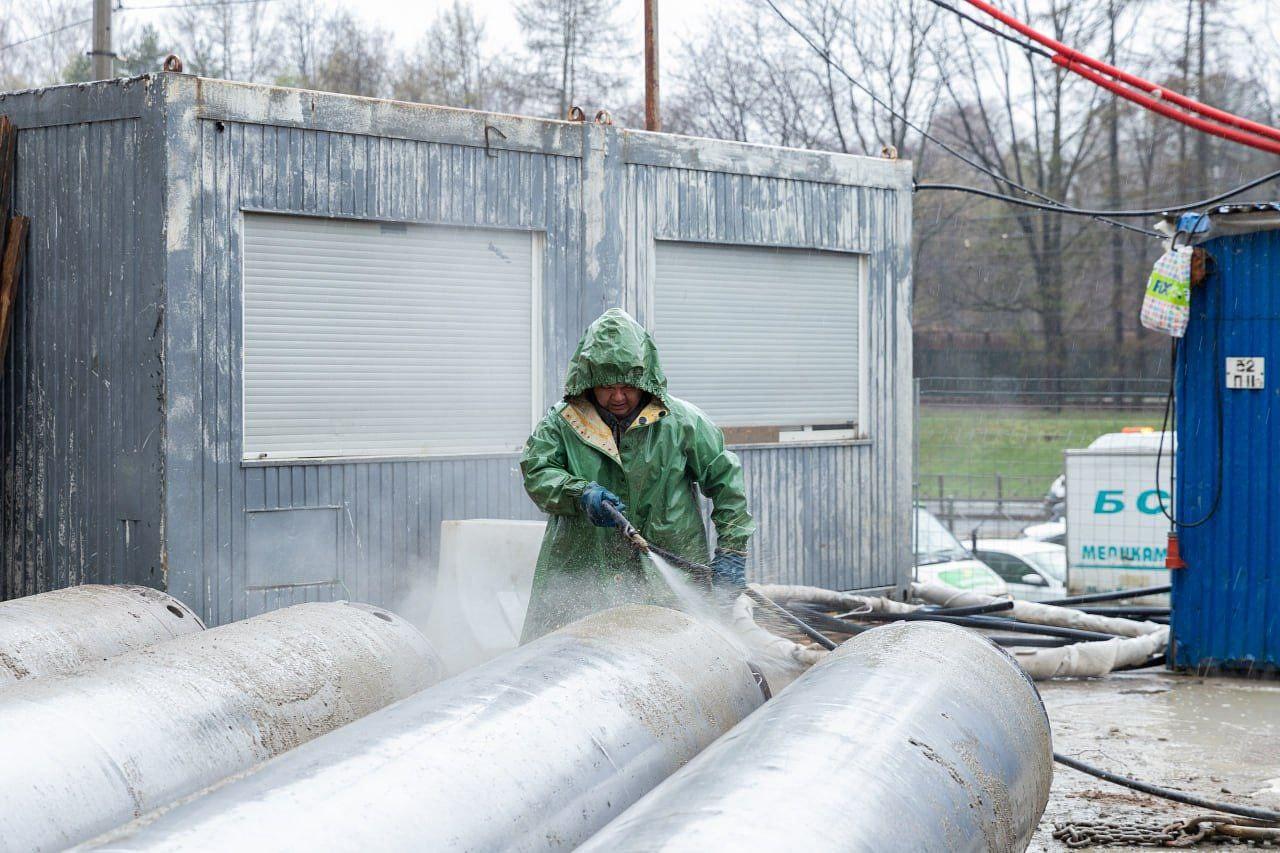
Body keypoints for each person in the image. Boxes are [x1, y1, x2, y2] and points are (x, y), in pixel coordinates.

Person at [519, 308, 755, 641]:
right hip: (583, 572)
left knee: (674, 666)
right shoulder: (562, 424)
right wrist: (578, 493)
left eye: (627, 385)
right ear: (588, 381)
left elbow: (726, 482)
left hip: (670, 579)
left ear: (645, 379)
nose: (618, 396)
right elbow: (537, 470)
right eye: (606, 386)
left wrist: (732, 551)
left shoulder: (684, 423)